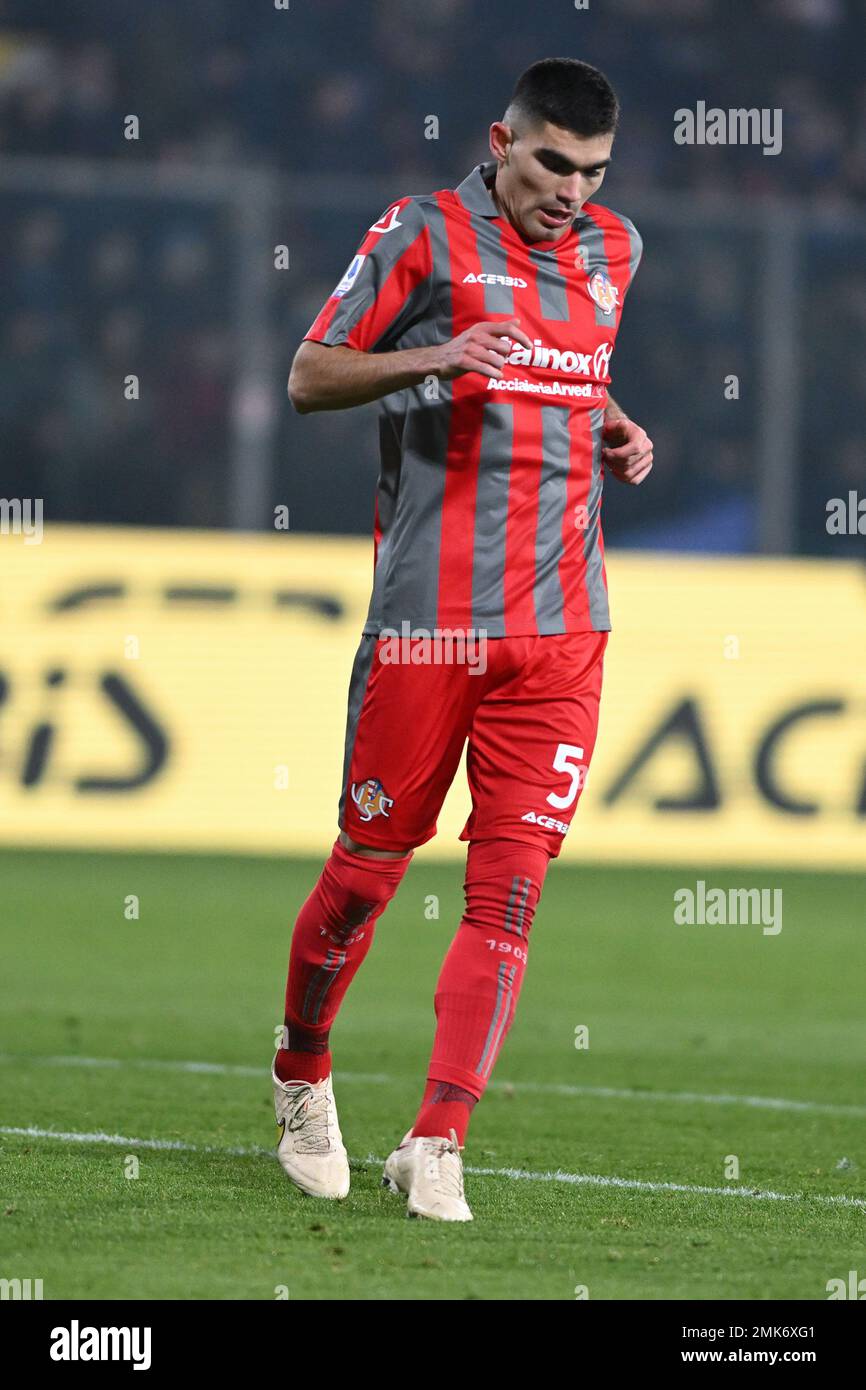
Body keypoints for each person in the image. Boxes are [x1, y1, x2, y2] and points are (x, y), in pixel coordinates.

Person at [277, 57, 653, 1221]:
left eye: (590, 173)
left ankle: (437, 1135)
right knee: (365, 875)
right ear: (500, 140)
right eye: (549, 164)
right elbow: (308, 376)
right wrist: (434, 358)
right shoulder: (420, 235)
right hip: (428, 629)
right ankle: (301, 1070)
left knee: (510, 891)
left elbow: (571, 372)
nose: (568, 192)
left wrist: (614, 424)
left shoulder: (615, 251)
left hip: (562, 636)